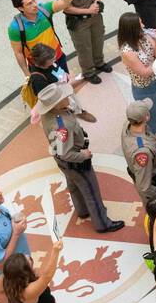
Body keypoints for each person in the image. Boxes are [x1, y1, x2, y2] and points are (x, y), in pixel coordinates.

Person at [35, 81, 125, 234]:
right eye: (64, 97)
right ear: (56, 104)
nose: (68, 96)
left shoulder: (49, 115)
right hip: (75, 162)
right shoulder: (61, 126)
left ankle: (82, 210)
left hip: (64, 163)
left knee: (74, 186)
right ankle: (102, 223)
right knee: (91, 191)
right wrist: (83, 155)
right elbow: (65, 153)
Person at [54, 0, 105, 82]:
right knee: (84, 47)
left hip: (95, 16)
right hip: (79, 22)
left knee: (98, 39)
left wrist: (96, 3)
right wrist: (87, 10)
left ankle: (99, 62)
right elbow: (66, 7)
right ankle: (88, 72)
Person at [9, 0, 73, 78]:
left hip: (57, 57)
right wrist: (27, 75)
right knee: (50, 90)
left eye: (33, 0)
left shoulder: (44, 10)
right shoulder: (15, 28)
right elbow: (18, 53)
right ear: (21, 8)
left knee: (66, 81)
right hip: (39, 66)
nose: (35, 5)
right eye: (29, 4)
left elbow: (64, 2)